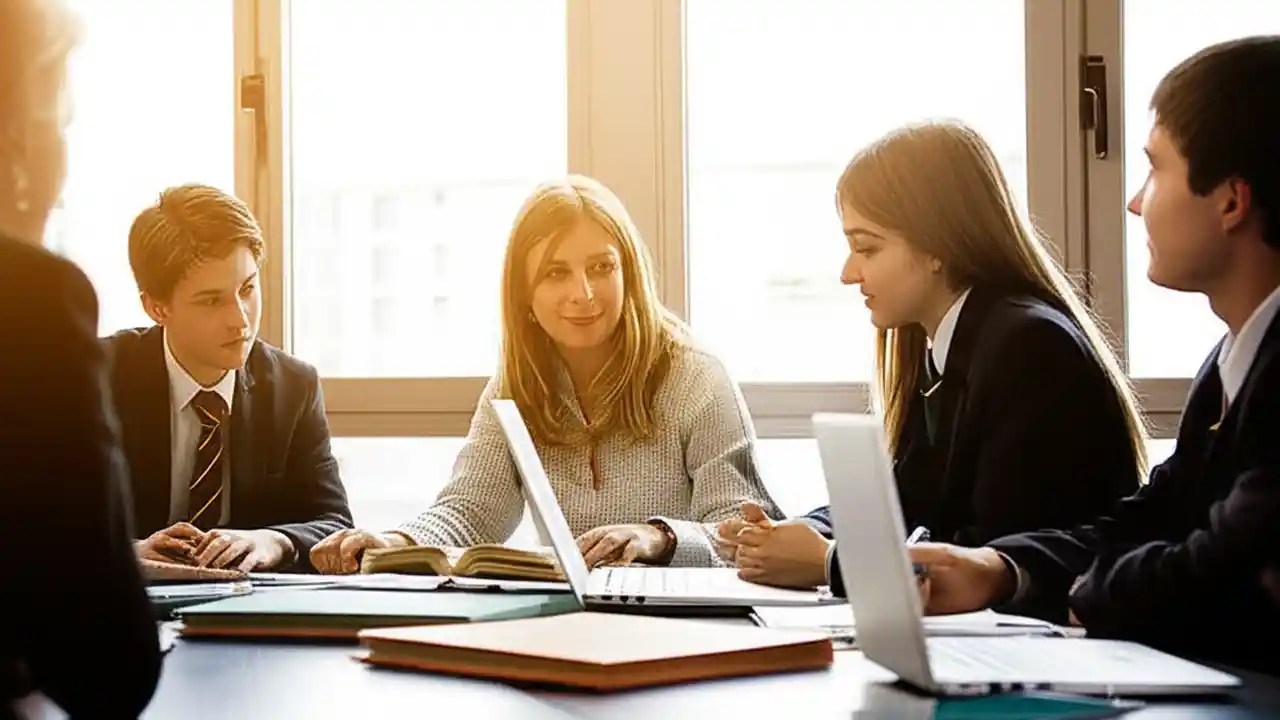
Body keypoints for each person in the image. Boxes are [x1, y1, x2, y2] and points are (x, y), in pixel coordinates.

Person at [908, 36, 1280, 675]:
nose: (1135, 201)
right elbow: (1145, 522)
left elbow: (1219, 570)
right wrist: (1002, 570)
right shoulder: (1228, 366)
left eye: (1155, 168)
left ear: (1230, 200)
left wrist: (1090, 591)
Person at [721, 120, 1147, 595]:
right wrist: (794, 535)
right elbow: (904, 505)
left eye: (866, 248)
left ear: (936, 247)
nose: (847, 273)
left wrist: (832, 562)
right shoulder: (950, 346)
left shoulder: (1028, 347)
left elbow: (993, 551)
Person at [310, 175, 779, 574]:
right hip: (574, 623)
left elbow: (746, 535)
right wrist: (396, 542)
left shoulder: (696, 378)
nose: (584, 293)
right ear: (525, 295)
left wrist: (659, 538)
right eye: (556, 273)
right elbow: (471, 511)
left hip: (687, 630)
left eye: (602, 267)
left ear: (629, 275)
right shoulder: (517, 386)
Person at [0, 1, 161, 716]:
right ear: (19, 136)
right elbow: (106, 670)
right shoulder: (30, 302)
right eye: (60, 123)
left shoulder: (289, 383)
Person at [106, 184, 352, 572]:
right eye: (211, 300)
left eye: (247, 289)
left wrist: (273, 540)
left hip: (248, 600)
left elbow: (334, 523)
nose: (240, 319)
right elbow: (34, 517)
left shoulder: (293, 386)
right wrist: (125, 552)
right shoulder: (98, 376)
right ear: (157, 307)